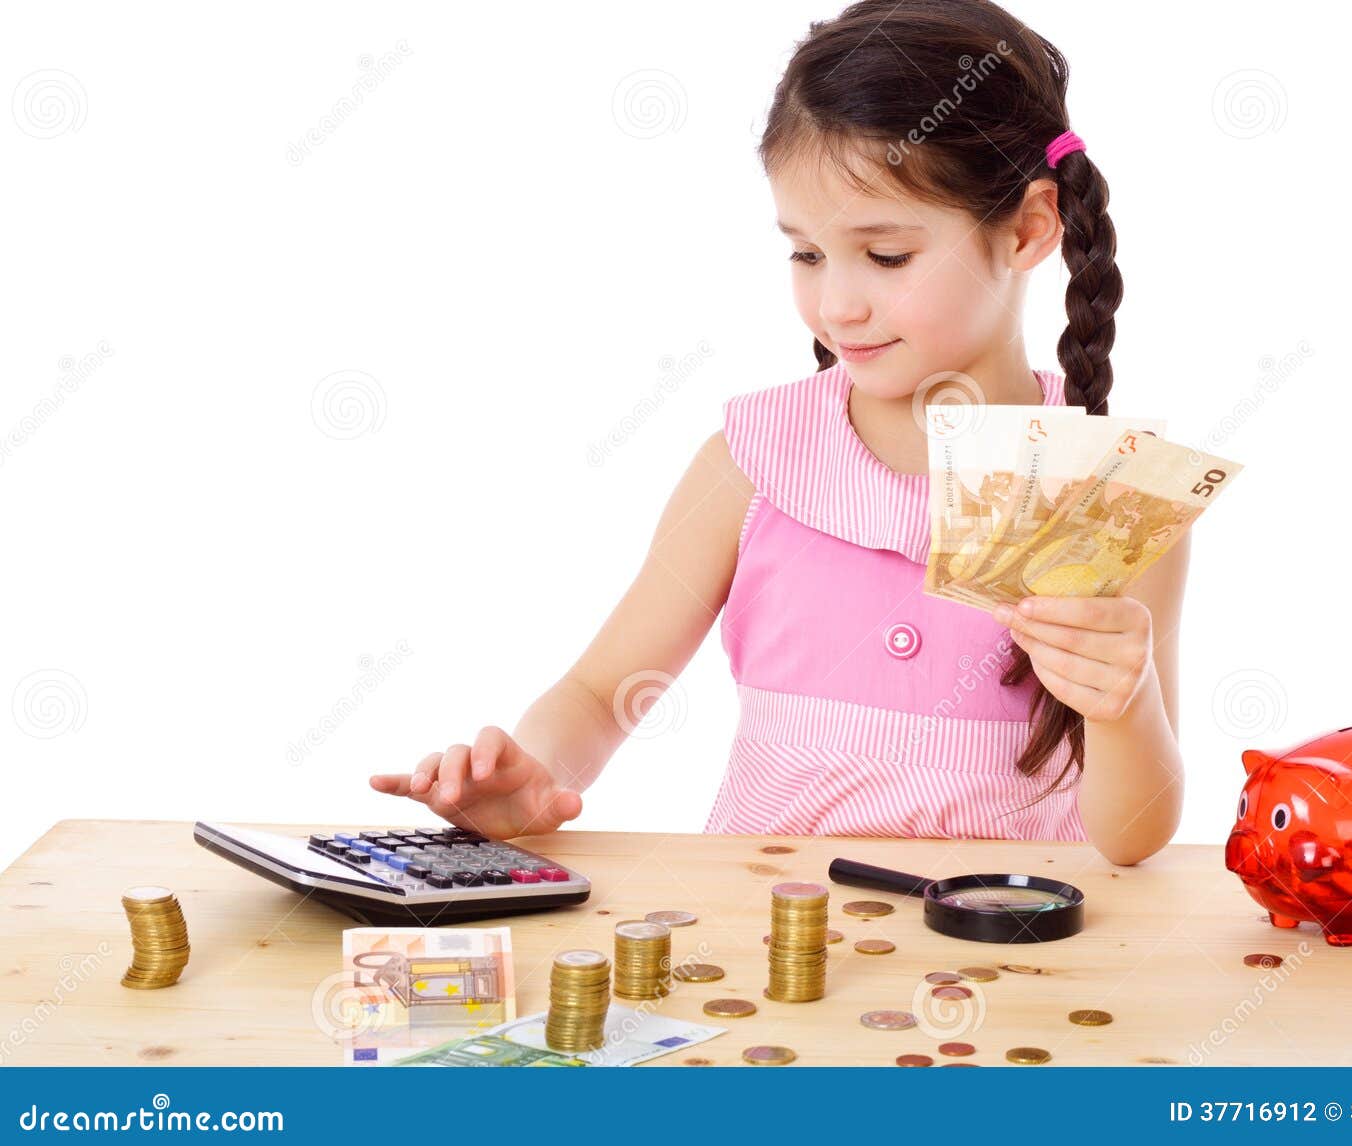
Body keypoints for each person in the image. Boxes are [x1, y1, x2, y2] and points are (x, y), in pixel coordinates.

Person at [370, 0, 1187, 864]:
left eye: (887, 256)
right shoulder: (754, 463)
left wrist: (1124, 703)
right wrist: (531, 774)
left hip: (1008, 954)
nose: (837, 304)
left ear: (1027, 229)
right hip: (762, 961)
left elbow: (1134, 839)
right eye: (805, 253)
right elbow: (601, 690)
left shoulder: (1113, 496)